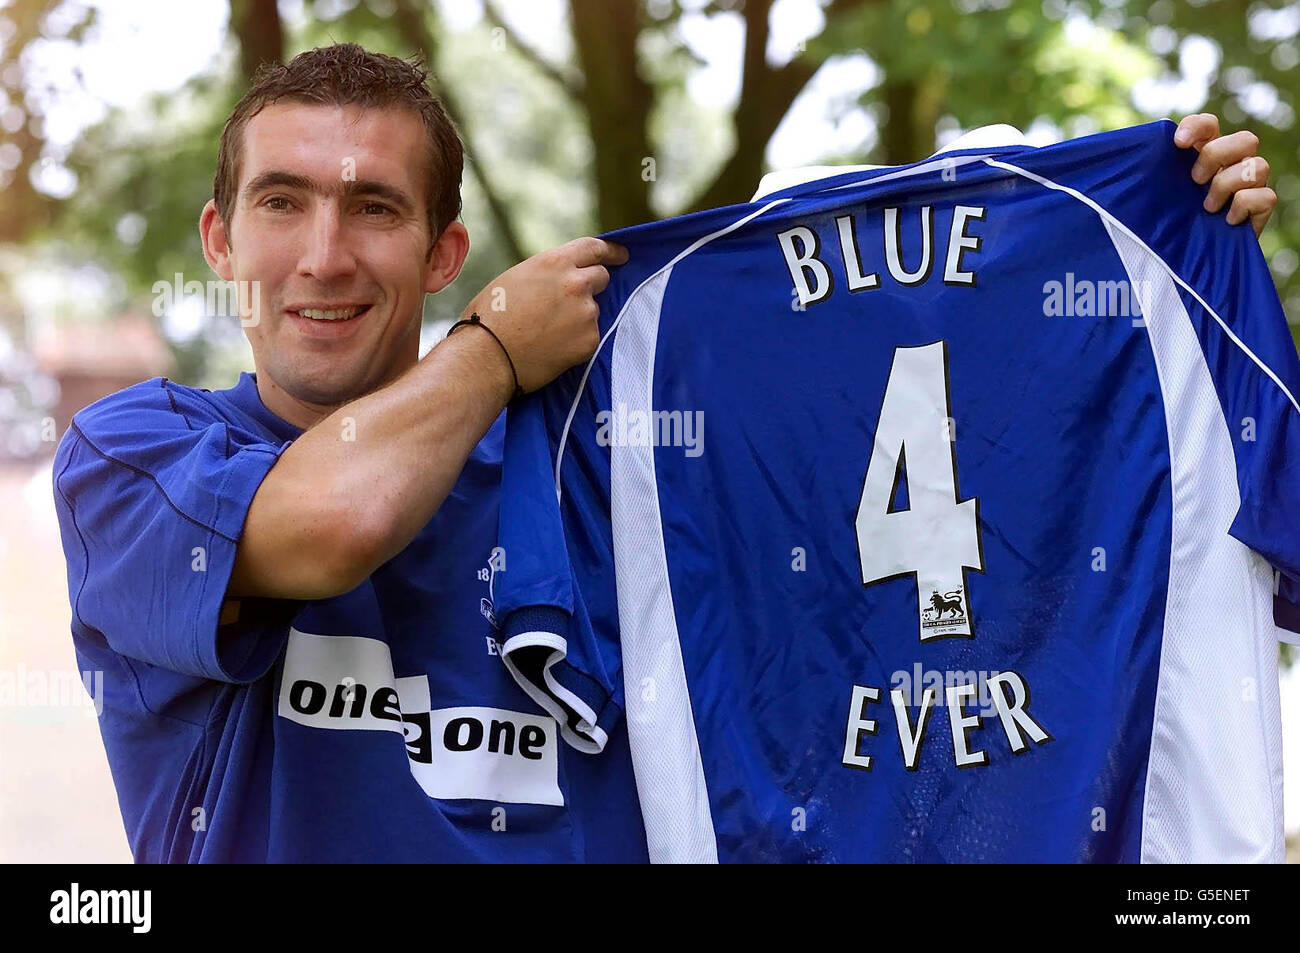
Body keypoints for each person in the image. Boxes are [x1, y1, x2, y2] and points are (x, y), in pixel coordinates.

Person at [50, 42, 1280, 862]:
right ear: (218, 239)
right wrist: (489, 343)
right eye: (282, 202)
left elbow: (896, 401)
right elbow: (329, 525)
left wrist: (1154, 239)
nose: (323, 253)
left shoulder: (607, 449)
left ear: (439, 250)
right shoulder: (135, 455)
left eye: (374, 207)